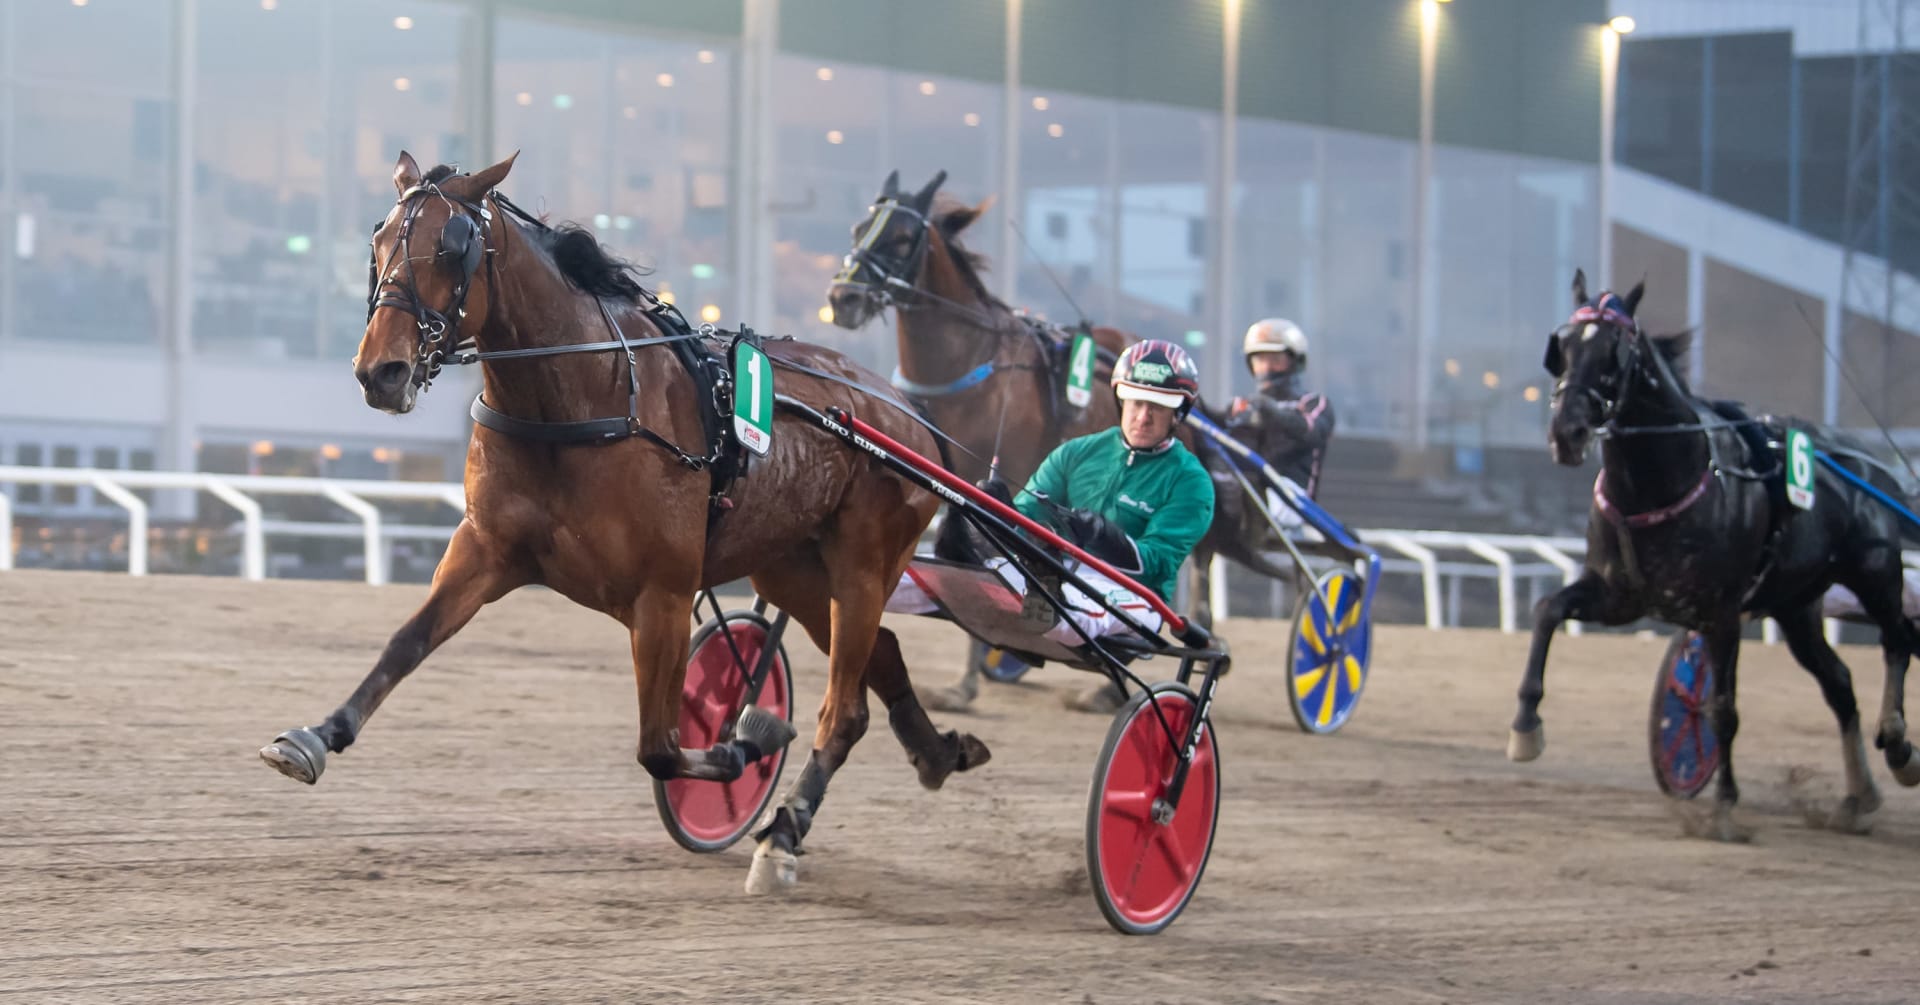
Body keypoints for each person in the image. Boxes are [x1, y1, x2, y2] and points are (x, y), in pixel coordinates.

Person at [898, 339, 1216, 714]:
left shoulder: (1191, 482)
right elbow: (1027, 522)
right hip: (1052, 578)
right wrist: (998, 515)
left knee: (1067, 614)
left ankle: (1045, 598)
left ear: (1178, 414)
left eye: (1157, 408)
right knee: (910, 577)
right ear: (1120, 399)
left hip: (1134, 598)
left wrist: (1103, 536)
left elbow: (1159, 562)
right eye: (1135, 401)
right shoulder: (1075, 454)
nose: (1142, 416)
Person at [1225, 318, 1335, 528]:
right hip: (1242, 489)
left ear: (1295, 361)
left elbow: (1312, 431)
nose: (1267, 367)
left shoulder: (1313, 403)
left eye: (1275, 359)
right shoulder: (1241, 405)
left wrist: (1271, 411)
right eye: (1260, 359)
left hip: (1291, 499)